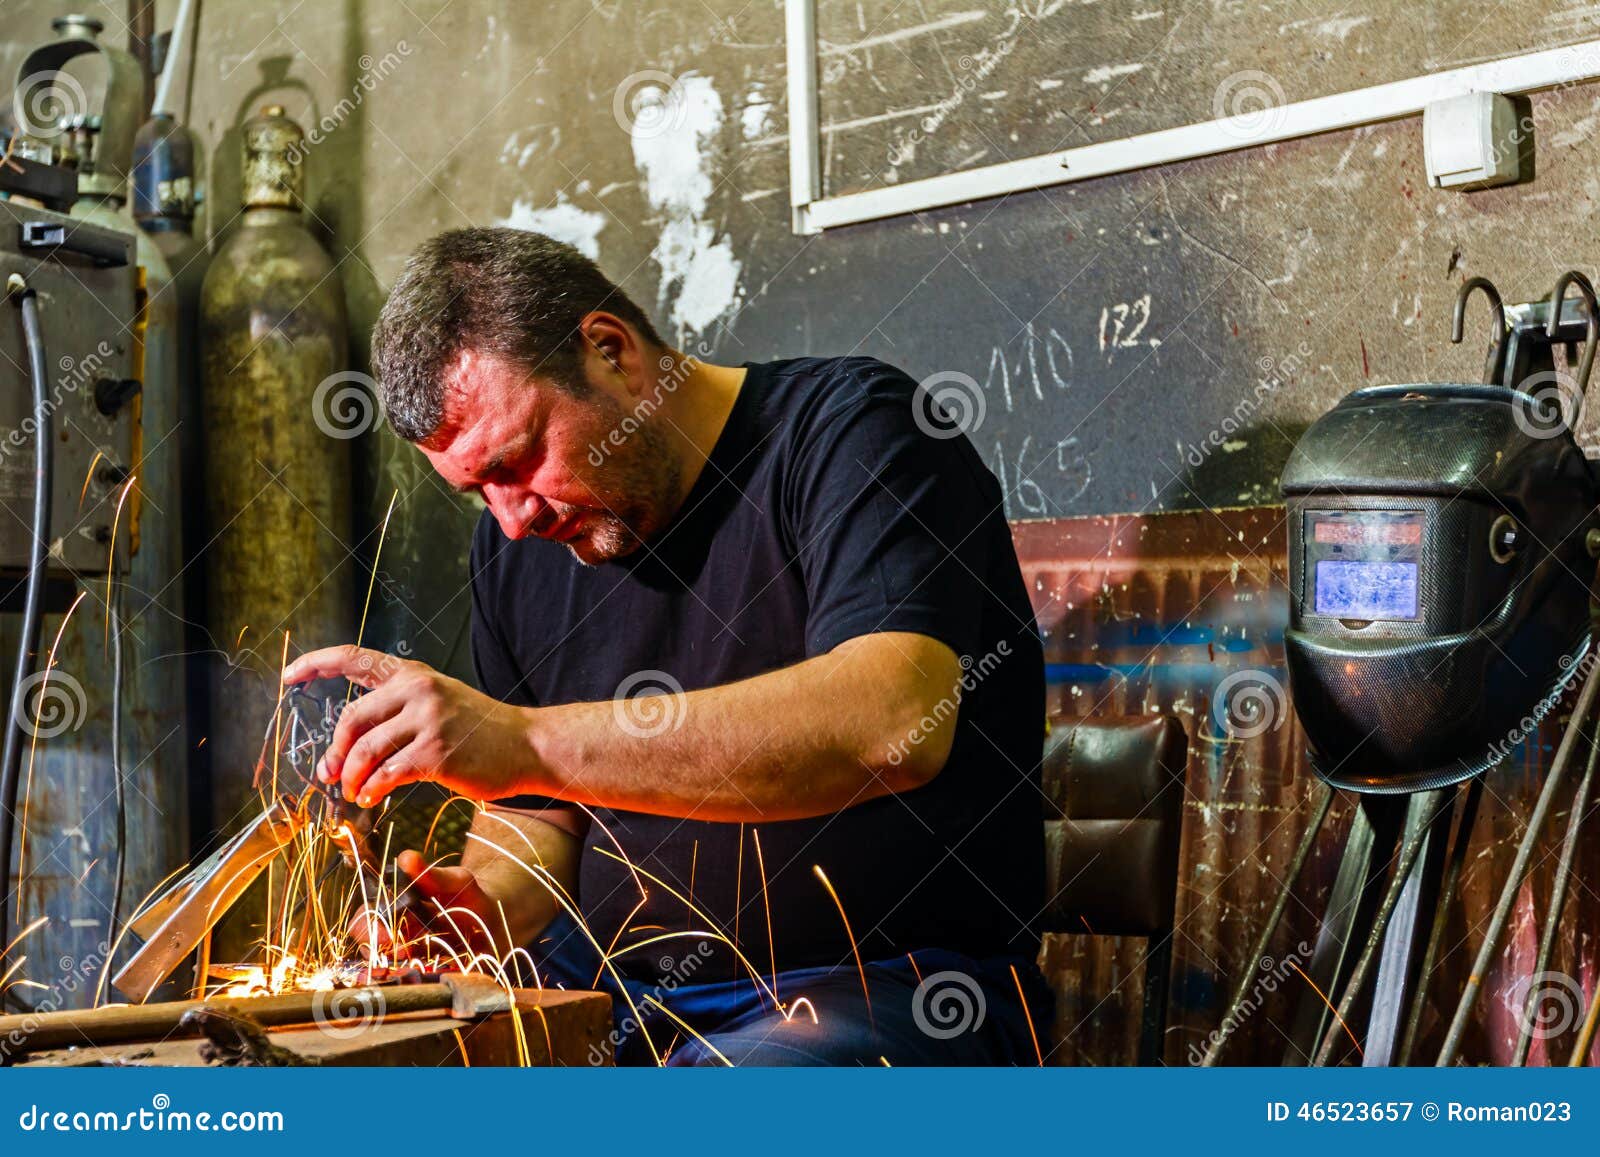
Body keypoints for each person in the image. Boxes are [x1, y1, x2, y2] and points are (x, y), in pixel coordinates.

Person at [283, 228, 1049, 1066]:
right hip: (619, 995)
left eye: (518, 459)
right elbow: (537, 814)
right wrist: (485, 907)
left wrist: (526, 738)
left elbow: (893, 720)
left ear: (611, 350)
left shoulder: (856, 435)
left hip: (888, 989)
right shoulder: (517, 550)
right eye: (478, 492)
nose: (512, 517)